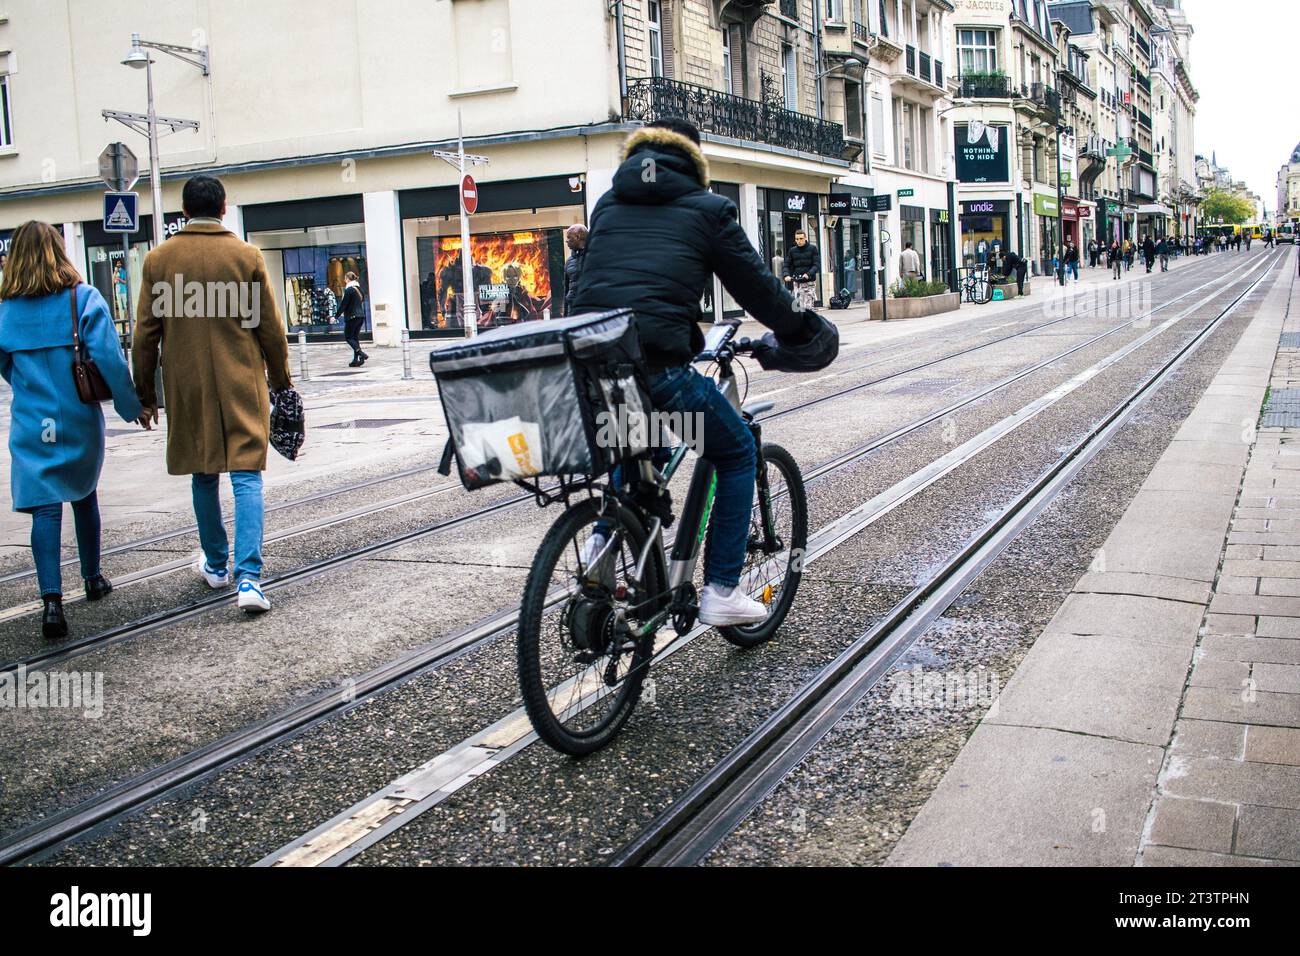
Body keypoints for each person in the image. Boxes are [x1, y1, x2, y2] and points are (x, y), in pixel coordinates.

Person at [570, 119, 836, 627]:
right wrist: (802, 331)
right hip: (659, 366)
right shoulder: (708, 210)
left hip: (594, 363)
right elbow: (758, 288)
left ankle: (601, 545)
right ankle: (721, 589)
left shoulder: (607, 204)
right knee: (736, 450)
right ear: (695, 162)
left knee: (642, 440)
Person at [132, 175, 293, 615]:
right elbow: (271, 331)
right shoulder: (246, 257)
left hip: (189, 387)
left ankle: (216, 564)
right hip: (240, 379)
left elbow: (145, 336)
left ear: (184, 212)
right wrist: (281, 382)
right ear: (224, 208)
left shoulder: (159, 261)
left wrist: (145, 394)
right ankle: (249, 578)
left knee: (203, 473)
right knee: (246, 476)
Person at [0, 222, 147, 639]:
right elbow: (109, 360)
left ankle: (51, 603)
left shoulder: (4, 311)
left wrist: (28, 383)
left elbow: (5, 366)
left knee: (45, 508)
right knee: (84, 494)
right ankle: (93, 578)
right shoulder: (82, 299)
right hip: (78, 417)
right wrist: (130, 406)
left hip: (33, 421)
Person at [336, 271, 367, 367]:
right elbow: (362, 299)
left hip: (352, 317)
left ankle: (361, 354)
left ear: (347, 279)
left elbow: (343, 305)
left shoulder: (349, 290)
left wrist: (336, 316)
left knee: (348, 337)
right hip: (360, 316)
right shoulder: (358, 289)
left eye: (345, 279)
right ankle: (356, 359)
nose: (344, 281)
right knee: (355, 338)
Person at [782, 229, 820, 309]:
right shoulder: (792, 251)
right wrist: (786, 275)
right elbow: (786, 264)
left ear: (805, 238)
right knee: (797, 308)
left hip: (809, 282)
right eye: (797, 239)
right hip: (797, 282)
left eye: (801, 239)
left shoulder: (812, 249)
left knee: (807, 308)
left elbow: (816, 265)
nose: (799, 241)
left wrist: (808, 274)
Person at [562, 223, 588, 317]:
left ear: (578, 237)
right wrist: (565, 316)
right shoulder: (569, 261)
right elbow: (566, 288)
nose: (566, 241)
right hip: (573, 309)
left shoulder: (595, 256)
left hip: (590, 310)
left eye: (569, 237)